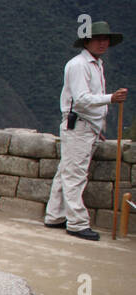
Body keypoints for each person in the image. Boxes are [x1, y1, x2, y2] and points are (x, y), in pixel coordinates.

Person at [44, 21, 126, 240]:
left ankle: (55, 215)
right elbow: (80, 101)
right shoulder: (79, 65)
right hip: (79, 125)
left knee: (66, 171)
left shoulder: (96, 64)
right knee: (75, 174)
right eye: (98, 39)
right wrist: (111, 98)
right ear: (87, 41)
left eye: (105, 39)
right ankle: (77, 223)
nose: (102, 43)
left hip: (86, 126)